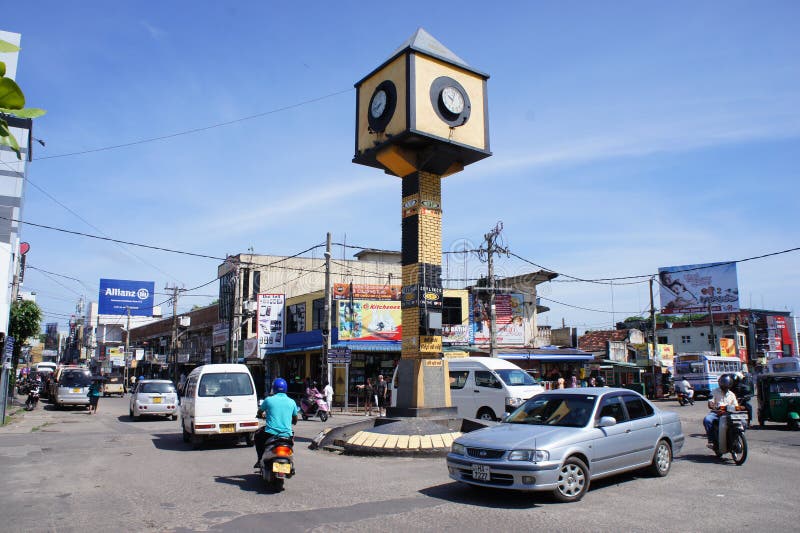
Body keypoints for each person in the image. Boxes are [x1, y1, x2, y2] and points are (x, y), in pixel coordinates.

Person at [254, 378, 299, 469]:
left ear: (273, 388)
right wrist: (293, 421)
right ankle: (290, 463)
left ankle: (259, 459)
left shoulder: (268, 400)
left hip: (270, 434)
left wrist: (260, 415)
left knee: (257, 435)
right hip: (286, 435)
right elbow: (295, 419)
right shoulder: (292, 402)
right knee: (291, 443)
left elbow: (260, 411)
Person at [703, 374, 738, 448]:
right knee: (707, 420)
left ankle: (736, 437)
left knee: (742, 422)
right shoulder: (714, 392)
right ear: (720, 383)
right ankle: (711, 440)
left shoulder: (732, 394)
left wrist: (738, 408)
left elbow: (736, 406)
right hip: (716, 413)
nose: (725, 386)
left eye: (727, 384)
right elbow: (710, 403)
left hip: (729, 414)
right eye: (724, 384)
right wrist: (713, 406)